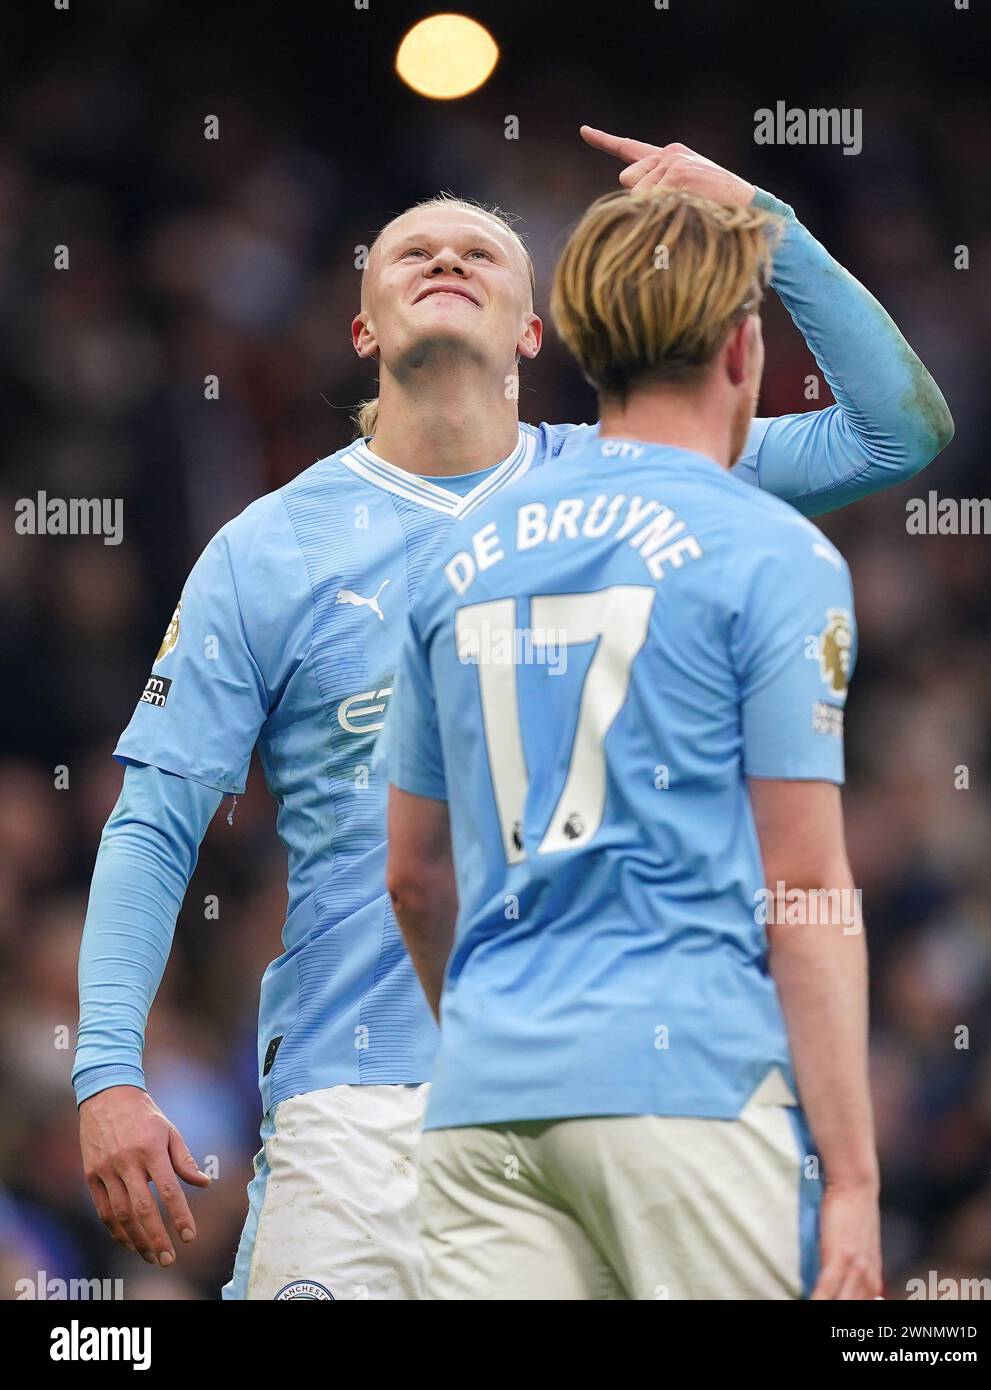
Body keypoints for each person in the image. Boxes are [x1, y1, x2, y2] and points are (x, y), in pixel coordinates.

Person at [75, 127, 947, 1300]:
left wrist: (763, 221)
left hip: (608, 1091)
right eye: (410, 252)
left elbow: (897, 427)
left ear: (532, 334)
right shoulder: (266, 549)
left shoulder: (647, 479)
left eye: (479, 252)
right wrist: (106, 1073)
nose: (445, 258)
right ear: (363, 330)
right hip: (357, 1098)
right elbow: (153, 822)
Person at [384, 186, 880, 1300]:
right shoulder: (770, 552)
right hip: (683, 1089)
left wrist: (494, 1038)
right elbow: (802, 887)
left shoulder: (454, 557)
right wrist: (850, 1176)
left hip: (478, 1107)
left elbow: (413, 881)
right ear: (742, 349)